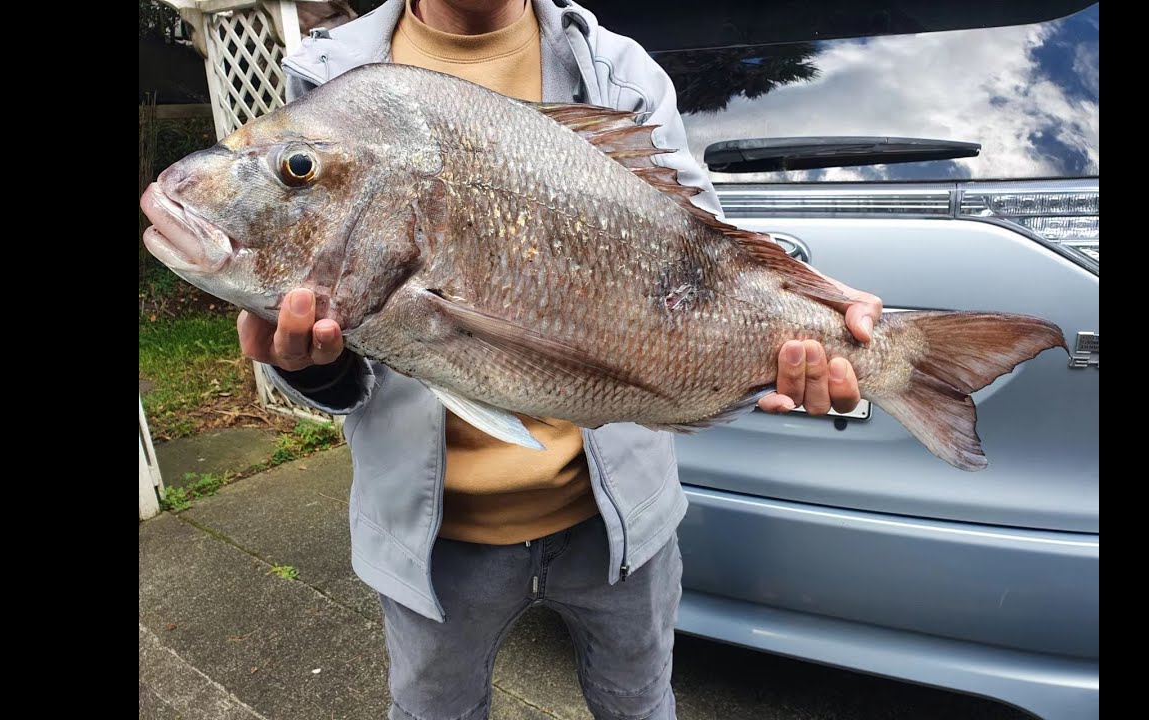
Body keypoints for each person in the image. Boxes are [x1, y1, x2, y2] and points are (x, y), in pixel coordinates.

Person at [236, 1, 883, 718]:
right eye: (295, 168)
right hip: (431, 542)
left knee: (640, 705)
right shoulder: (330, 74)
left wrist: (810, 307)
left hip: (618, 526)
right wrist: (311, 367)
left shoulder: (618, 70)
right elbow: (340, 337)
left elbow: (703, 254)